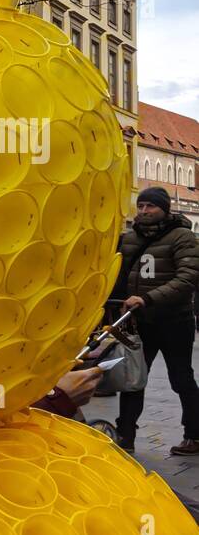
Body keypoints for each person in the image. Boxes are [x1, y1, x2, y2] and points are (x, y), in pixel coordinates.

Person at [109, 186, 199, 454]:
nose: (145, 211)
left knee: (181, 378)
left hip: (175, 320)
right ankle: (125, 435)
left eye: (151, 206)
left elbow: (188, 277)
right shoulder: (129, 238)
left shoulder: (182, 237)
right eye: (141, 206)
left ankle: (194, 434)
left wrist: (147, 299)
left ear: (165, 208)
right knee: (132, 378)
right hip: (139, 322)